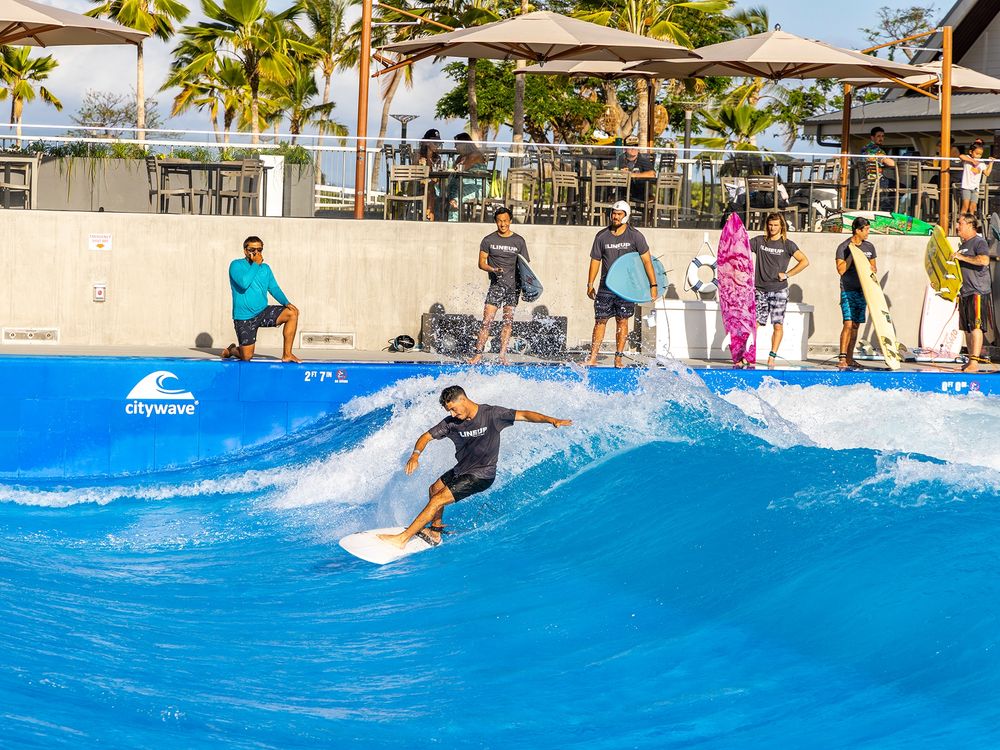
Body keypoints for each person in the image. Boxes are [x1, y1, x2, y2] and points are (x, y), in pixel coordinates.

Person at [378, 385, 572, 549]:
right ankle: (435, 532)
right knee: (434, 489)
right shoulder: (452, 423)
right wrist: (415, 455)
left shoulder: (492, 414)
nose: (453, 414)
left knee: (437, 500)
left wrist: (551, 419)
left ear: (463, 399)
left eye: (454, 409)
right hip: (462, 469)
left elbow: (524, 415)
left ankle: (402, 540)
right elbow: (426, 437)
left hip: (482, 474)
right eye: (449, 411)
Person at [585, 200, 658, 368]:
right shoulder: (602, 236)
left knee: (622, 321)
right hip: (606, 286)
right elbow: (595, 261)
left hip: (626, 288)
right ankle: (593, 357)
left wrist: (653, 285)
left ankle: (618, 358)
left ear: (626, 216)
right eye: (613, 213)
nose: (615, 217)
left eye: (619, 214)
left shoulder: (635, 236)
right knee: (600, 320)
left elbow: (647, 261)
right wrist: (590, 284)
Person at [221, 236, 300, 363]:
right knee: (246, 356)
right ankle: (232, 350)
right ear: (245, 251)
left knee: (292, 313)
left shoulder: (265, 268)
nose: (256, 253)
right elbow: (243, 283)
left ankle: (287, 354)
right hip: (244, 317)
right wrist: (256, 264)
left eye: (259, 249)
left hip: (262, 311)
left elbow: (274, 288)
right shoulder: (236, 265)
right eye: (252, 249)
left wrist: (287, 303)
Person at [468, 207, 528, 366]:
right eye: (500, 221)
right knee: (487, 321)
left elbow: (526, 267)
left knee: (508, 322)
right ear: (496, 221)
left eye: (506, 221)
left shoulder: (519, 241)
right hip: (496, 286)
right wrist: (493, 269)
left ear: (510, 221)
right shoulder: (488, 240)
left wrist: (527, 289)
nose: (503, 224)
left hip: (513, 287)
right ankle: (478, 354)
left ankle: (502, 355)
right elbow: (481, 263)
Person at [750, 213, 810, 368]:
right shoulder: (759, 241)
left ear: (781, 226)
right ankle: (749, 353)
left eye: (776, 225)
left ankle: (772, 357)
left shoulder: (788, 245)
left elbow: (805, 261)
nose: (772, 228)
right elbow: (739, 246)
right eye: (770, 225)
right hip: (760, 290)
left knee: (777, 325)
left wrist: (787, 274)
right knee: (754, 323)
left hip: (779, 290)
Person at [953, 213, 994, 373]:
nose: (957, 226)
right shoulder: (962, 246)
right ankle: (970, 360)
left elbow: (984, 260)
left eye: (960, 223)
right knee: (967, 328)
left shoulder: (979, 241)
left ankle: (975, 363)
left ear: (970, 225)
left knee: (976, 326)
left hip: (978, 291)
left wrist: (962, 257)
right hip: (965, 292)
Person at [834, 217, 876, 370]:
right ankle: (842, 357)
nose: (868, 233)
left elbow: (873, 268)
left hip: (862, 290)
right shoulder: (843, 247)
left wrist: (872, 270)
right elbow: (841, 270)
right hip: (848, 289)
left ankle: (850, 358)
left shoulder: (870, 247)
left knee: (856, 325)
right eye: (866, 230)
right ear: (857, 230)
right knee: (848, 323)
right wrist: (853, 254)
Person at [446, 132, 488, 221]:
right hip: (463, 185)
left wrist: (456, 166)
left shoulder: (475, 155)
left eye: (456, 144)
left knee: (456, 195)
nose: (455, 147)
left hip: (478, 187)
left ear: (464, 144)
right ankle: (444, 217)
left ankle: (453, 222)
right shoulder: (460, 157)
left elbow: (462, 169)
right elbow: (454, 170)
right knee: (447, 190)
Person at [860, 126, 896, 211]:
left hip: (865, 180)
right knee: (901, 186)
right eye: (878, 136)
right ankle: (888, 211)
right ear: (872, 137)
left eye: (882, 136)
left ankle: (881, 207)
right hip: (877, 180)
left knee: (891, 184)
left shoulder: (864, 148)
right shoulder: (876, 150)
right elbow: (891, 163)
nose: (881, 138)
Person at [958, 141, 993, 217]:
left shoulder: (981, 163)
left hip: (975, 188)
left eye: (980, 154)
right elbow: (961, 156)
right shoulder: (967, 159)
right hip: (966, 187)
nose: (978, 156)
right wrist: (972, 161)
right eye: (977, 154)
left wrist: (991, 163)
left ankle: (971, 224)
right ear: (971, 152)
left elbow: (987, 173)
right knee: (965, 206)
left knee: (972, 208)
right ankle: (961, 222)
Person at [417, 128, 443, 221]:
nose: (437, 145)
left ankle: (428, 214)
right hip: (417, 185)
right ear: (427, 143)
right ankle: (430, 215)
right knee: (429, 189)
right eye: (435, 143)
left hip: (433, 186)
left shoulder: (437, 158)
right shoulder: (418, 155)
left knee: (430, 188)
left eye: (438, 143)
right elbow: (415, 174)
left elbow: (437, 178)